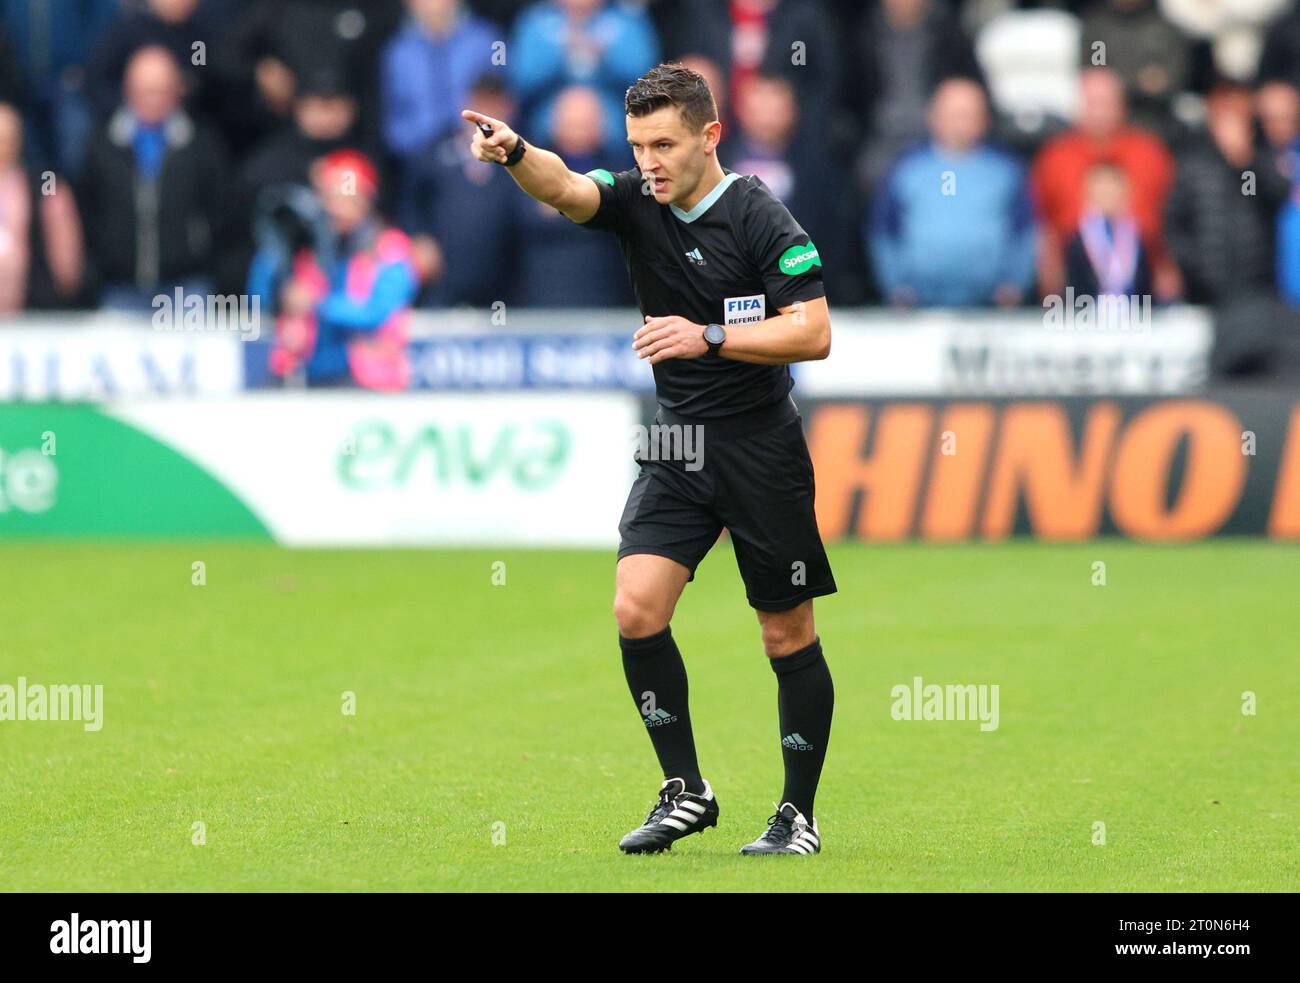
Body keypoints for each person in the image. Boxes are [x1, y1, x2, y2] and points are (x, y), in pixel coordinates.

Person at [462, 61, 836, 856]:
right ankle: (687, 790)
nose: (649, 162)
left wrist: (708, 336)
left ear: (710, 135)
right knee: (636, 607)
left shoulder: (761, 216)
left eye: (663, 144)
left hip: (760, 445)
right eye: (637, 146)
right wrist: (518, 149)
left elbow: (813, 332)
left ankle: (796, 813)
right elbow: (567, 189)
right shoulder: (636, 198)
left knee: (785, 631)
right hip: (677, 440)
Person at [248, 149, 418, 389]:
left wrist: (318, 303)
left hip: (367, 380)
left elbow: (376, 313)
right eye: (329, 198)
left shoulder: (389, 248)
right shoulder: (307, 249)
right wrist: (275, 248)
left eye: (347, 198)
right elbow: (260, 300)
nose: (336, 208)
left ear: (366, 200)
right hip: (304, 374)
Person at [869, 77, 1035, 308]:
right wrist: (896, 286)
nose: (961, 123)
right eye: (954, 114)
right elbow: (884, 232)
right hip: (917, 310)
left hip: (990, 310)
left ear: (984, 120)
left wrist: (1015, 284)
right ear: (933, 116)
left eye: (969, 114)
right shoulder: (906, 169)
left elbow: (1025, 232)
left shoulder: (1006, 171)